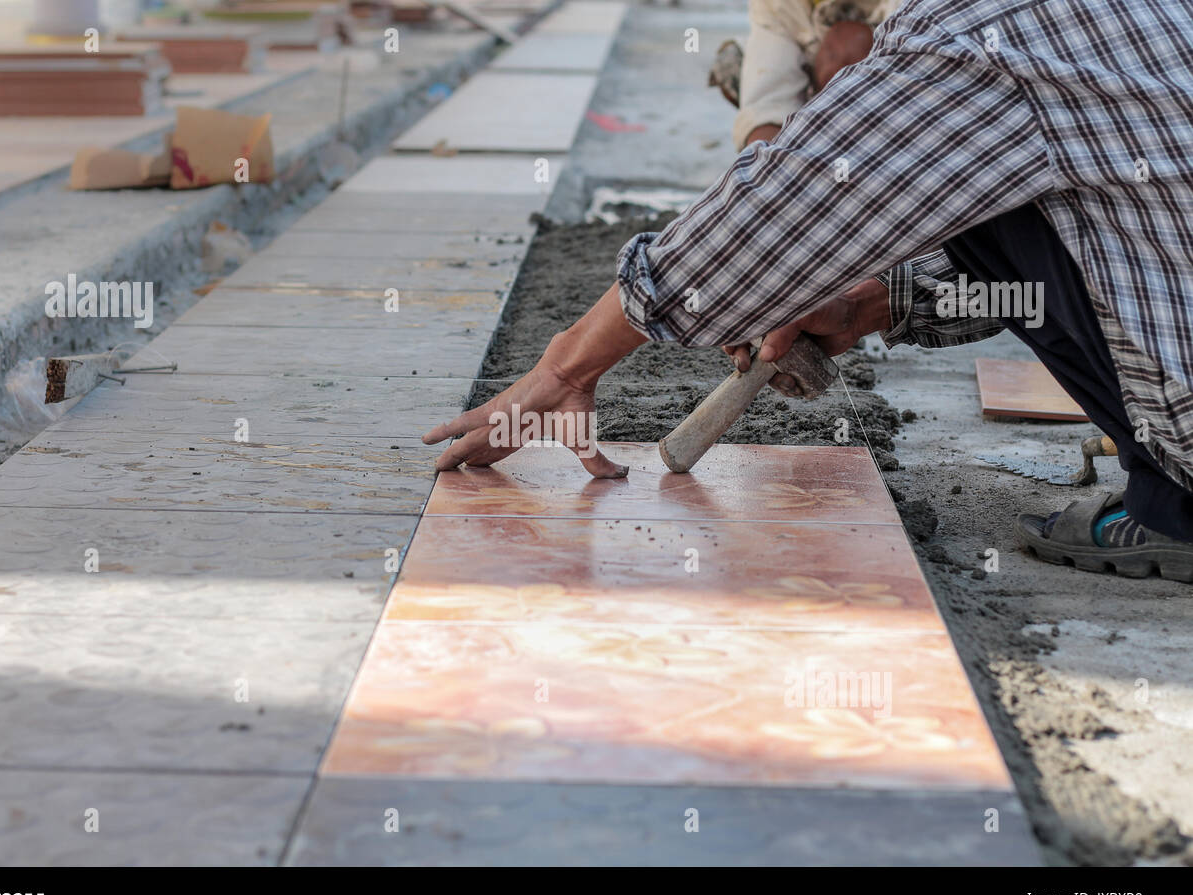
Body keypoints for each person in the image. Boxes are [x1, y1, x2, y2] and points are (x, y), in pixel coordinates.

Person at [423, 0, 1193, 581]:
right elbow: (1022, 285)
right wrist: (872, 302)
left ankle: (1175, 503)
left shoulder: (984, 28)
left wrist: (566, 370)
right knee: (1001, 217)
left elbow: (774, 216)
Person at [711, 0, 900, 149]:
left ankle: (848, 153)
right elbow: (769, 95)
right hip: (813, 76)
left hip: (894, 94)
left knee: (846, 44)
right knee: (733, 64)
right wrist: (765, 170)